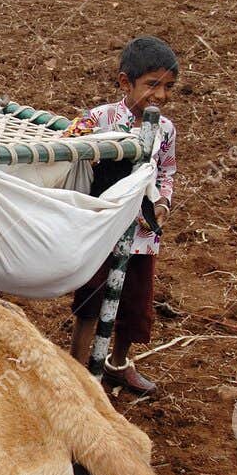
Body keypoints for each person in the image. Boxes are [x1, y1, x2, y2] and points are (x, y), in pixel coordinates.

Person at [69, 36, 178, 394]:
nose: (160, 95)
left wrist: (161, 204)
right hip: (102, 223)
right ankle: (77, 371)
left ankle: (117, 363)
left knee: (133, 298)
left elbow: (166, 171)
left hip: (143, 232)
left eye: (168, 87)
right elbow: (73, 150)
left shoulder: (165, 129)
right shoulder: (99, 119)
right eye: (152, 85)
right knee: (92, 296)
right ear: (125, 83)